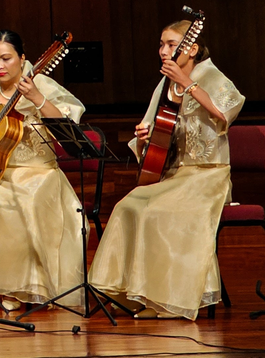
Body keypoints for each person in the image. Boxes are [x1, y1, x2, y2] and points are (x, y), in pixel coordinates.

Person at [89, 21, 243, 320]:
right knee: (128, 206)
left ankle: (166, 299)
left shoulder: (212, 77)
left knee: (158, 211)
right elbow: (157, 133)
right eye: (161, 44)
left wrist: (189, 85)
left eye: (171, 44)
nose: (163, 51)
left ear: (192, 48)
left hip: (207, 174)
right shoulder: (165, 84)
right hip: (175, 173)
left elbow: (224, 114)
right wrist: (147, 137)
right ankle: (131, 294)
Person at [0, 30, 85, 312]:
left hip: (41, 174)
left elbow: (69, 129)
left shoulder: (41, 83)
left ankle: (19, 288)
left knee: (27, 201)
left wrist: (37, 98)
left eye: (6, 59)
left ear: (22, 58)